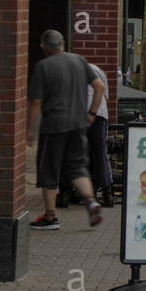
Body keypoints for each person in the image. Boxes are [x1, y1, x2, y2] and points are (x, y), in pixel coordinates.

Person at [27, 30, 105, 228]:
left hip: (53, 126)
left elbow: (36, 101)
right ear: (62, 43)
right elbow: (99, 87)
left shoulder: (43, 66)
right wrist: (92, 113)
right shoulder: (79, 60)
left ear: (44, 45)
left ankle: (50, 216)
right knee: (78, 168)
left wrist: (29, 130)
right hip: (78, 125)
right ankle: (91, 201)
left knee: (49, 171)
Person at [84, 61, 114, 208]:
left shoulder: (71, 70)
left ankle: (68, 192)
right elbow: (105, 95)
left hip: (80, 113)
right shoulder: (98, 70)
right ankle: (106, 193)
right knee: (101, 153)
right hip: (100, 114)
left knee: (75, 154)